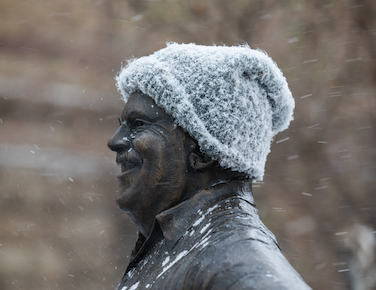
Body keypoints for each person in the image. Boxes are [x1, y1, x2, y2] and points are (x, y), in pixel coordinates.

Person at [107, 43, 311, 290]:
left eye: (138, 124)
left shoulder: (237, 263)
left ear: (202, 152)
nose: (115, 141)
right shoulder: (183, 247)